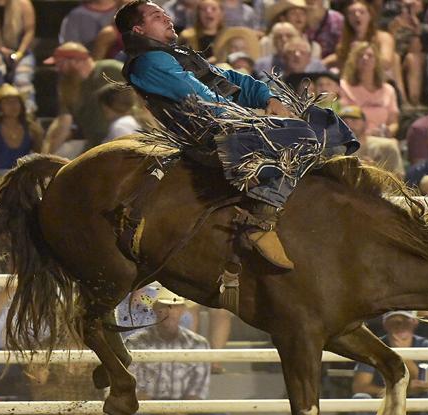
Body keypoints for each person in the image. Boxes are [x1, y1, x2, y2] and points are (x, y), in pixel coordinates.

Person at [117, 0, 356, 272]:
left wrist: (269, 98)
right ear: (138, 29)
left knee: (325, 119)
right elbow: (202, 98)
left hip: (234, 121)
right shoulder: (149, 62)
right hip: (213, 136)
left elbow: (231, 79)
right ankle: (261, 218)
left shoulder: (176, 54)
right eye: (156, 16)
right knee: (301, 133)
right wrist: (256, 116)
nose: (167, 18)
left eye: (164, 13)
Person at [119, 290, 227, 415]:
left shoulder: (198, 344)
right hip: (147, 405)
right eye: (163, 306)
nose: (169, 312)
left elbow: (197, 389)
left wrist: (182, 412)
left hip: (182, 404)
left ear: (182, 310)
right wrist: (162, 411)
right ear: (155, 309)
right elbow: (134, 389)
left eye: (174, 306)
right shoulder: (134, 343)